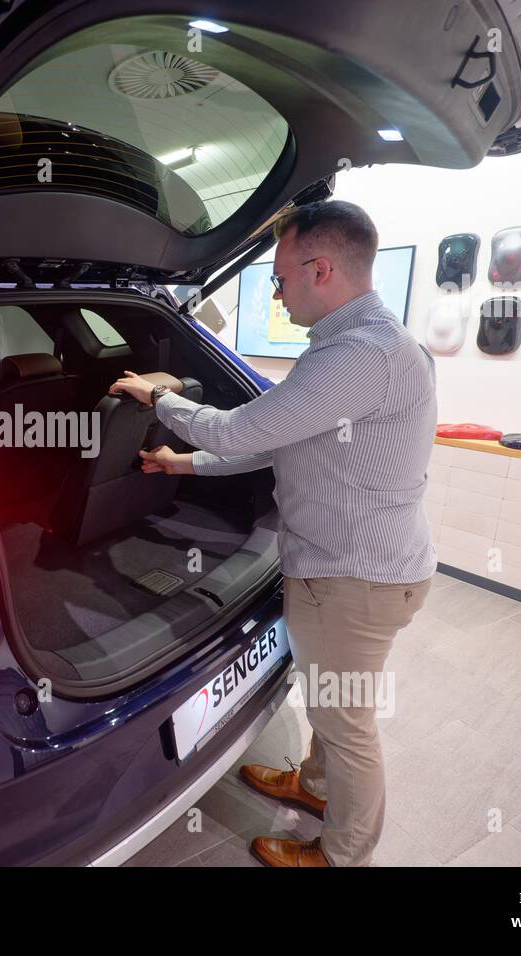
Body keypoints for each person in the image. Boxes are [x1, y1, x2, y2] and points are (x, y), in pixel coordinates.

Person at [109, 200, 437, 867]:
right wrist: (183, 461)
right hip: (354, 569)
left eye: (281, 278)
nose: (276, 292)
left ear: (321, 269)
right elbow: (278, 441)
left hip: (354, 580)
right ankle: (314, 789)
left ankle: (342, 854)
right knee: (331, 707)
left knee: (347, 727)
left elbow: (241, 429)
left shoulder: (359, 356)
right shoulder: (358, 346)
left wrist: (158, 399)